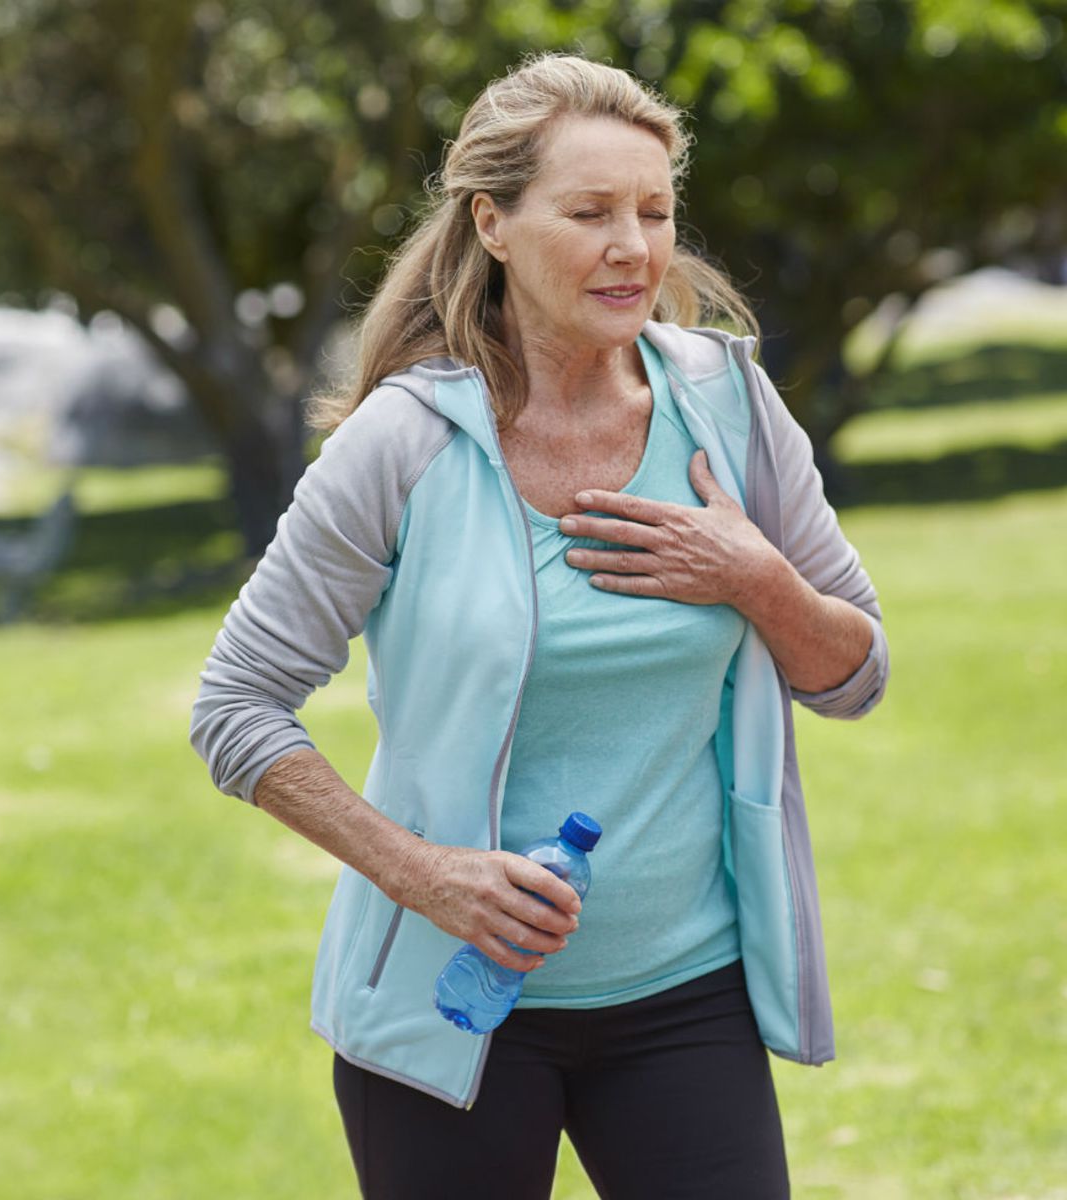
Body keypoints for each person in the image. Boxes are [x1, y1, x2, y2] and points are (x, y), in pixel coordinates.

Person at [190, 53, 889, 1200]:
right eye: (591, 212)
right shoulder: (401, 444)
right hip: (447, 1006)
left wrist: (754, 577)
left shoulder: (729, 407)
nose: (634, 247)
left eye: (655, 212)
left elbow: (854, 675)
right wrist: (424, 875)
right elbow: (234, 707)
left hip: (686, 999)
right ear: (493, 224)